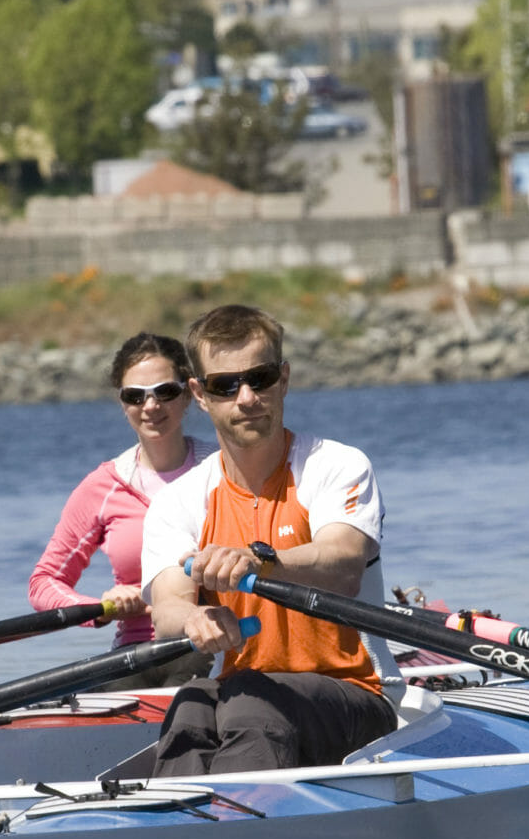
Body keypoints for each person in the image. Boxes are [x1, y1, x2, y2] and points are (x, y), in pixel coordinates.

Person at [140, 304, 398, 776]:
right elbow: (166, 611)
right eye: (224, 385)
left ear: (283, 379)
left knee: (250, 704)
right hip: (247, 694)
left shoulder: (336, 466)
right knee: (193, 704)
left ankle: (240, 825)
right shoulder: (177, 502)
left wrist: (258, 562)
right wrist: (196, 618)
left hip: (357, 694)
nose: (246, 398)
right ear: (199, 393)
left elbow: (342, 565)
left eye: (259, 378)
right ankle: (174, 831)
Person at [29, 331, 216, 688]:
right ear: (122, 403)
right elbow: (43, 583)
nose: (151, 406)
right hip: (135, 651)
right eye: (135, 396)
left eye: (165, 392)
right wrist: (99, 608)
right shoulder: (103, 487)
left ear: (189, 394)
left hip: (211, 639)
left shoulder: (222, 470)